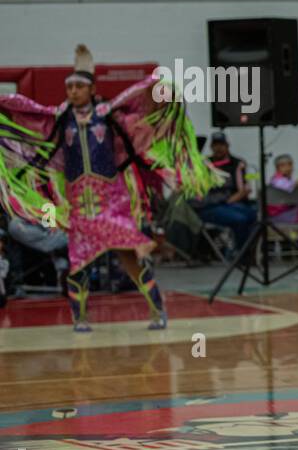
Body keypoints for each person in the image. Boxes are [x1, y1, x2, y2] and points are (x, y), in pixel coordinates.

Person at [0, 45, 218, 331]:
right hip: (80, 206)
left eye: (79, 86)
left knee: (131, 260)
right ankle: (80, 319)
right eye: (70, 87)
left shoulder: (108, 114)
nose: (73, 91)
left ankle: (157, 310)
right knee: (78, 265)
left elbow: (141, 97)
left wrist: (160, 87)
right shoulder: (61, 118)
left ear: (91, 89)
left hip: (112, 203)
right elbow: (28, 111)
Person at [192, 131, 257, 256]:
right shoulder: (203, 164)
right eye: (215, 145)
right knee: (240, 220)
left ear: (227, 145)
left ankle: (247, 251)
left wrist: (231, 200)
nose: (218, 148)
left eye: (221, 144)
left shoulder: (237, 163)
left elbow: (245, 189)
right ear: (211, 147)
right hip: (210, 206)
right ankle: (241, 253)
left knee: (253, 215)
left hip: (230, 203)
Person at [266, 154, 298, 226]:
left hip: (284, 213)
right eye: (283, 165)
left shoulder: (287, 180)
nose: (288, 168)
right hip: (279, 214)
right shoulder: (277, 180)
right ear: (277, 168)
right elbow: (289, 188)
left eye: (290, 165)